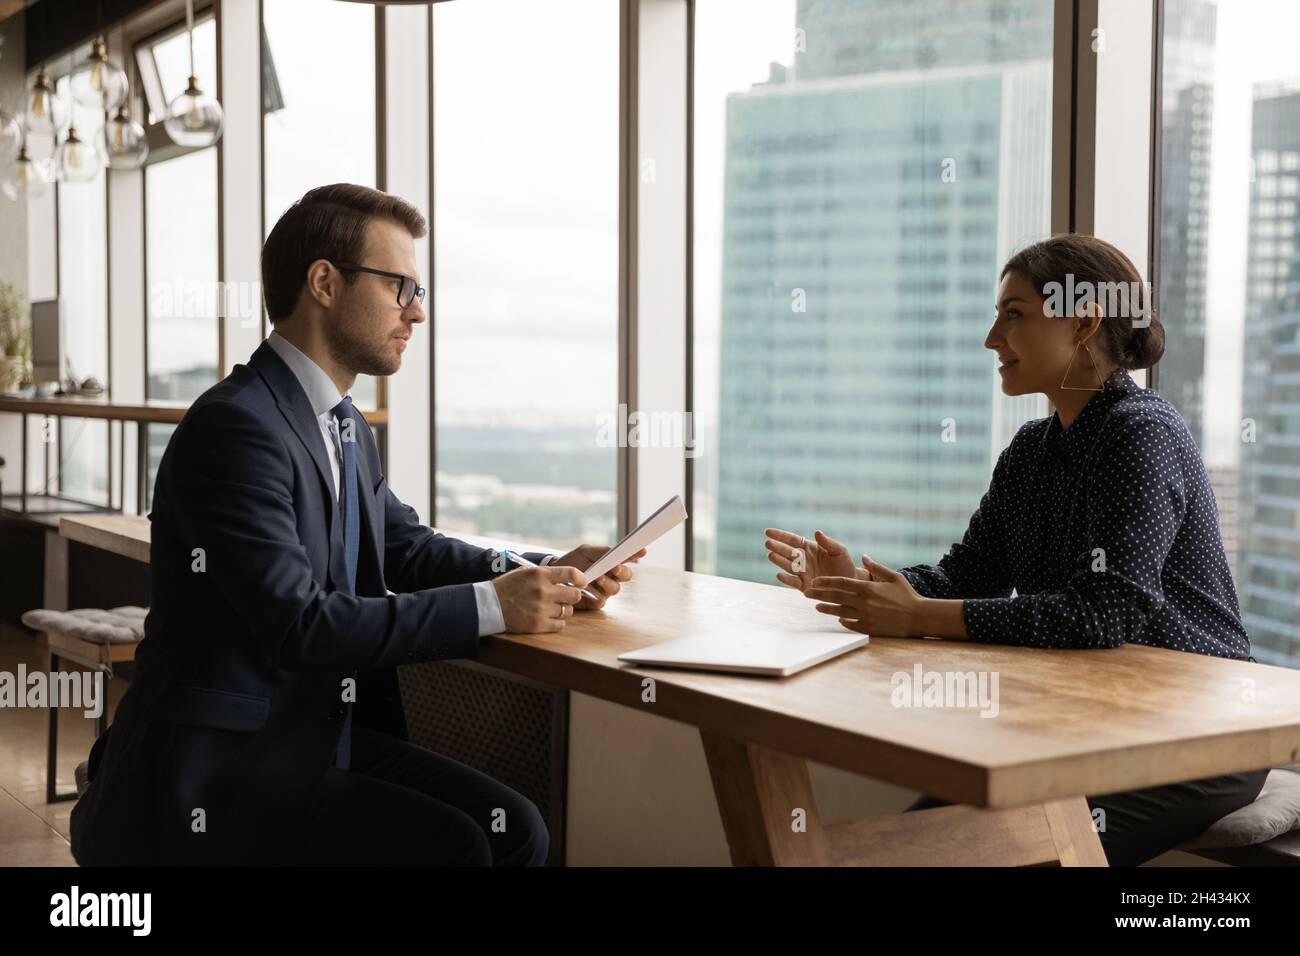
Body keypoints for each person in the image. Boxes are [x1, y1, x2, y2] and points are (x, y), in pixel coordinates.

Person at [71, 183, 641, 866]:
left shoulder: (342, 425)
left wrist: (540, 570)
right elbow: (300, 625)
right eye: (402, 286)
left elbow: (404, 547)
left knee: (514, 830)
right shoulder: (236, 426)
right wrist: (493, 607)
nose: (419, 312)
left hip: (304, 737)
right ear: (324, 282)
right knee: (461, 846)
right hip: (218, 769)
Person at [763, 234, 1267, 866]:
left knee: (951, 853)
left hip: (1198, 740)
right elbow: (965, 575)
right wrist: (858, 585)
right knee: (924, 843)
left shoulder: (1144, 434)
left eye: (1015, 315)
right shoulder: (1030, 450)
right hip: (1092, 728)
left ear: (1084, 322)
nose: (991, 338)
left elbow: (1103, 614)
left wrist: (916, 615)